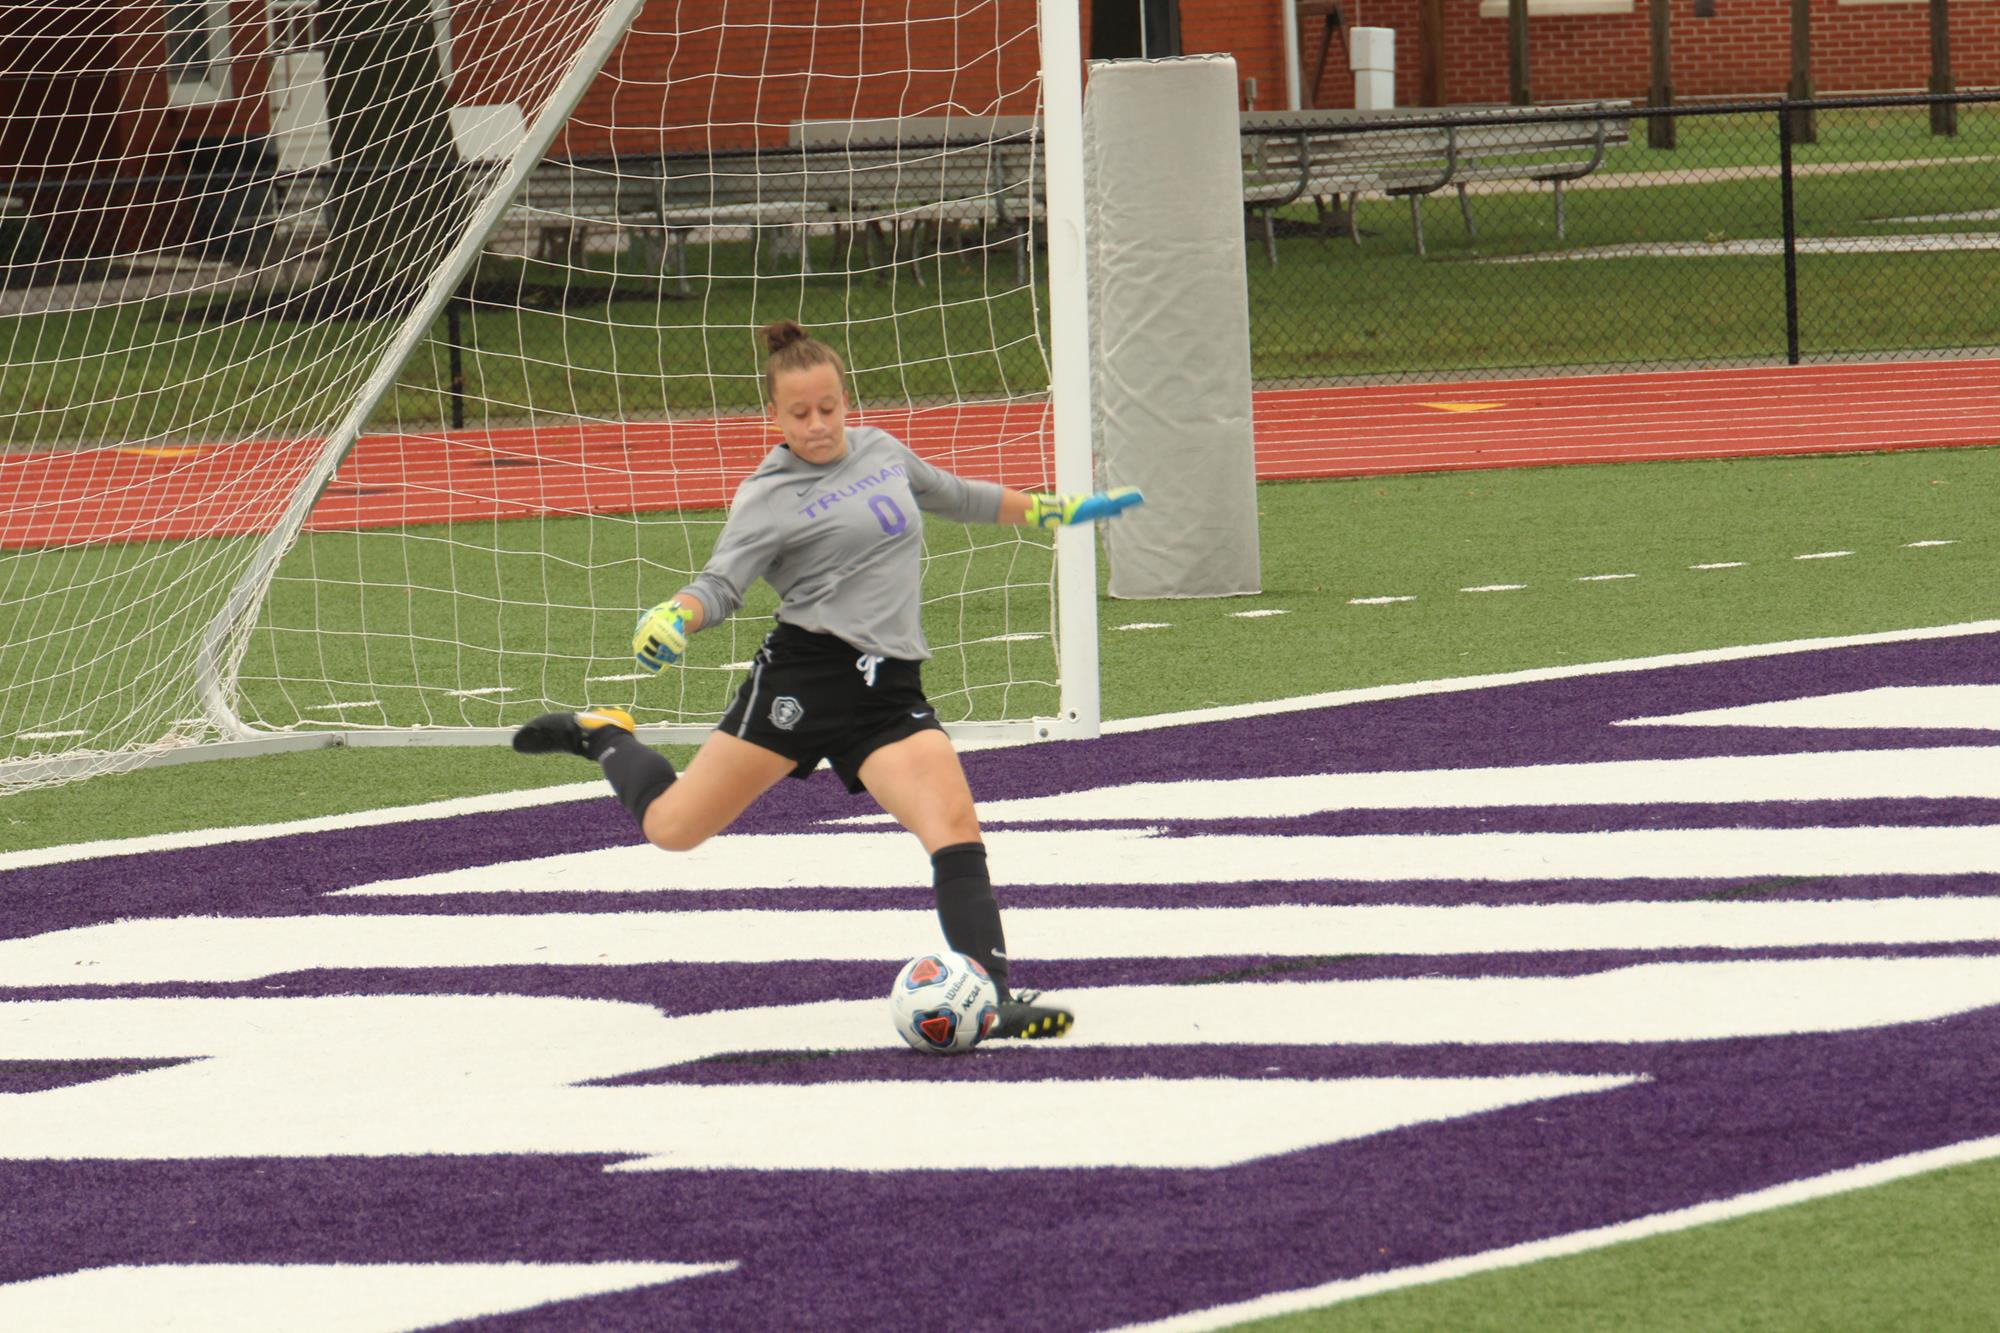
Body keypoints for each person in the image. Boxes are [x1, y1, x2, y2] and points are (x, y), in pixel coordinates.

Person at [513, 319, 1143, 1042]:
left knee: (955, 830)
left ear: (847, 401)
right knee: (673, 827)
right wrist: (677, 616)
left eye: (830, 408)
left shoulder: (880, 450)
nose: (819, 425)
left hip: (889, 693)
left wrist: (1051, 510)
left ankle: (991, 995)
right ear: (772, 418)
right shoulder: (767, 494)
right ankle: (605, 735)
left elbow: (955, 494)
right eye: (801, 414)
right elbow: (721, 584)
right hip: (804, 683)